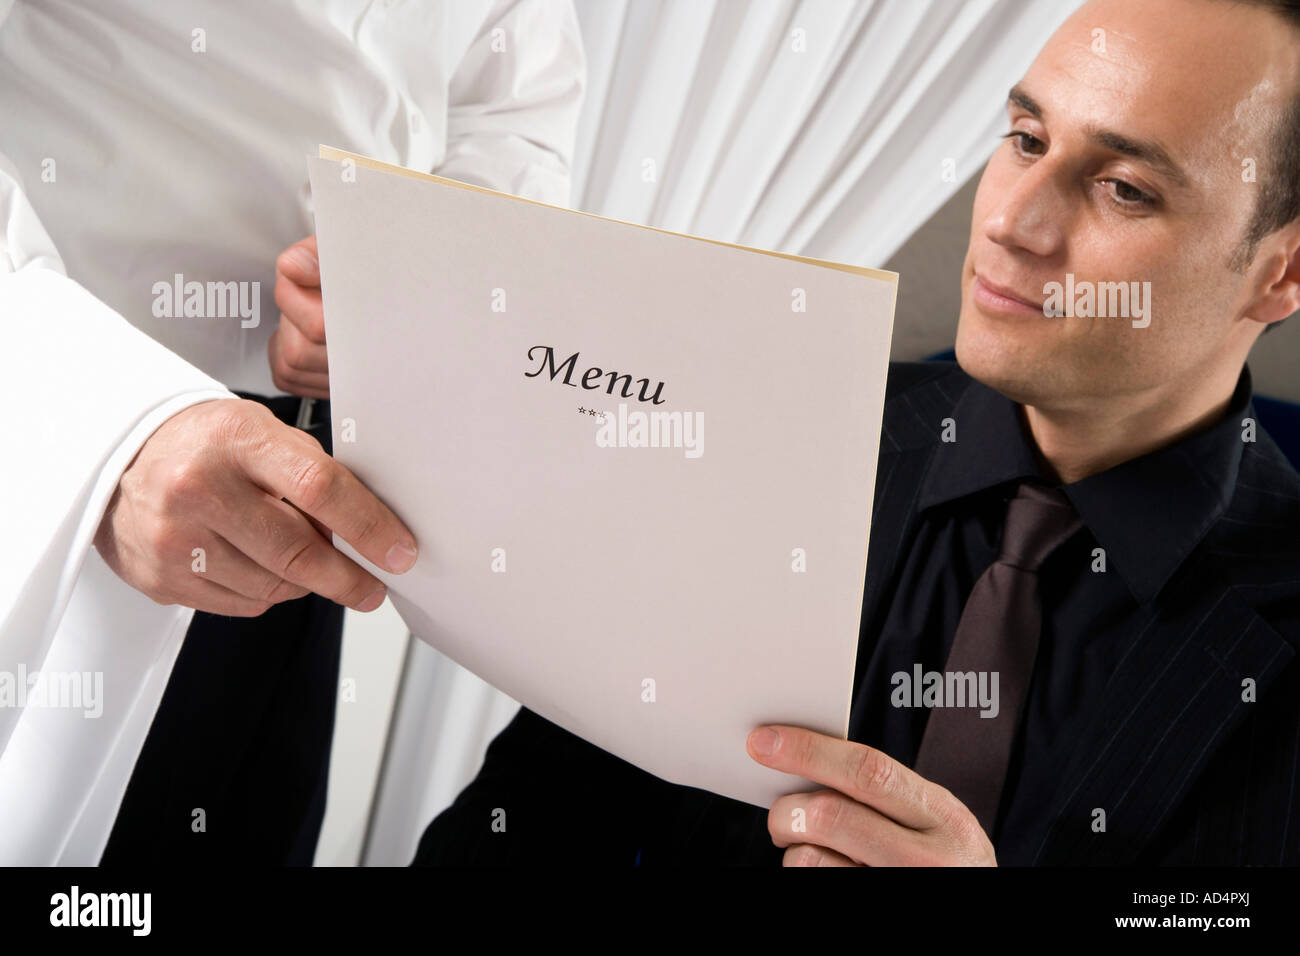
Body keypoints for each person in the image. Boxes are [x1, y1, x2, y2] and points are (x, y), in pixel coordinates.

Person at [411, 0, 1300, 866]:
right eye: (1026, 139)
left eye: (1124, 189)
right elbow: (518, 823)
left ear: (1281, 272)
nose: (1009, 224)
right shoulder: (755, 441)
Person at [0, 0, 584, 864]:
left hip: (305, 487)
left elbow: (511, 89)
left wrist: (426, 271)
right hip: (54, 438)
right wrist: (97, 420)